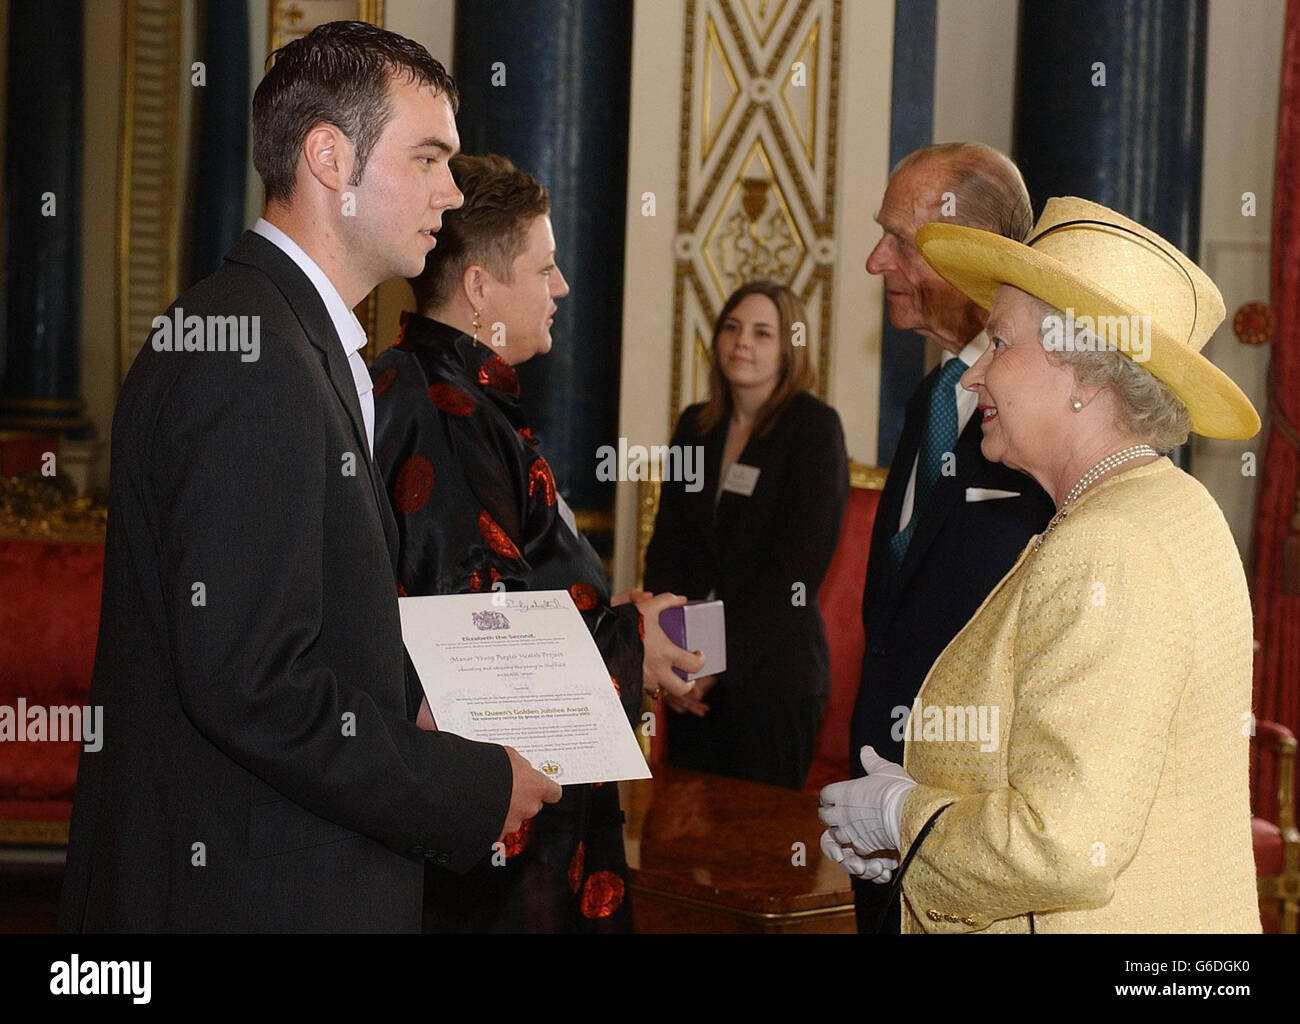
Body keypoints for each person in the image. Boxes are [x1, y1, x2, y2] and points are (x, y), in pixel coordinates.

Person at [58, 22, 560, 933]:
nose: (452, 192)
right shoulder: (252, 357)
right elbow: (253, 683)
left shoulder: (284, 334)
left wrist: (410, 704)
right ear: (330, 157)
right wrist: (466, 785)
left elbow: (293, 632)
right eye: (430, 156)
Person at [820, 196, 1263, 932]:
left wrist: (908, 821)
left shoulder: (1110, 544)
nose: (973, 376)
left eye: (999, 343)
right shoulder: (1161, 507)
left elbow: (1067, 845)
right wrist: (918, 848)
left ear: (1083, 372)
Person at [370, 153, 703, 933]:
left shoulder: (442, 391)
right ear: (480, 288)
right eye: (544, 268)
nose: (560, 288)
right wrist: (635, 642)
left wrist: (607, 611)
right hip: (500, 841)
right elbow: (484, 637)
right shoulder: (447, 409)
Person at [842, 143, 1054, 932]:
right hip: (881, 802)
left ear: (980, 257)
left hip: (973, 825)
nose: (875, 261)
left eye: (901, 241)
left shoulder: (1040, 417)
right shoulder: (929, 399)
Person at [642, 281, 848, 791]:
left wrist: (714, 666)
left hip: (775, 680)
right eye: (732, 328)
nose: (742, 343)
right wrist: (677, 659)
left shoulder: (814, 429)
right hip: (690, 677)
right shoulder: (696, 426)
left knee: (761, 857)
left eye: (762, 333)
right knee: (682, 850)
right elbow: (667, 546)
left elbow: (793, 574)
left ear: (788, 348)